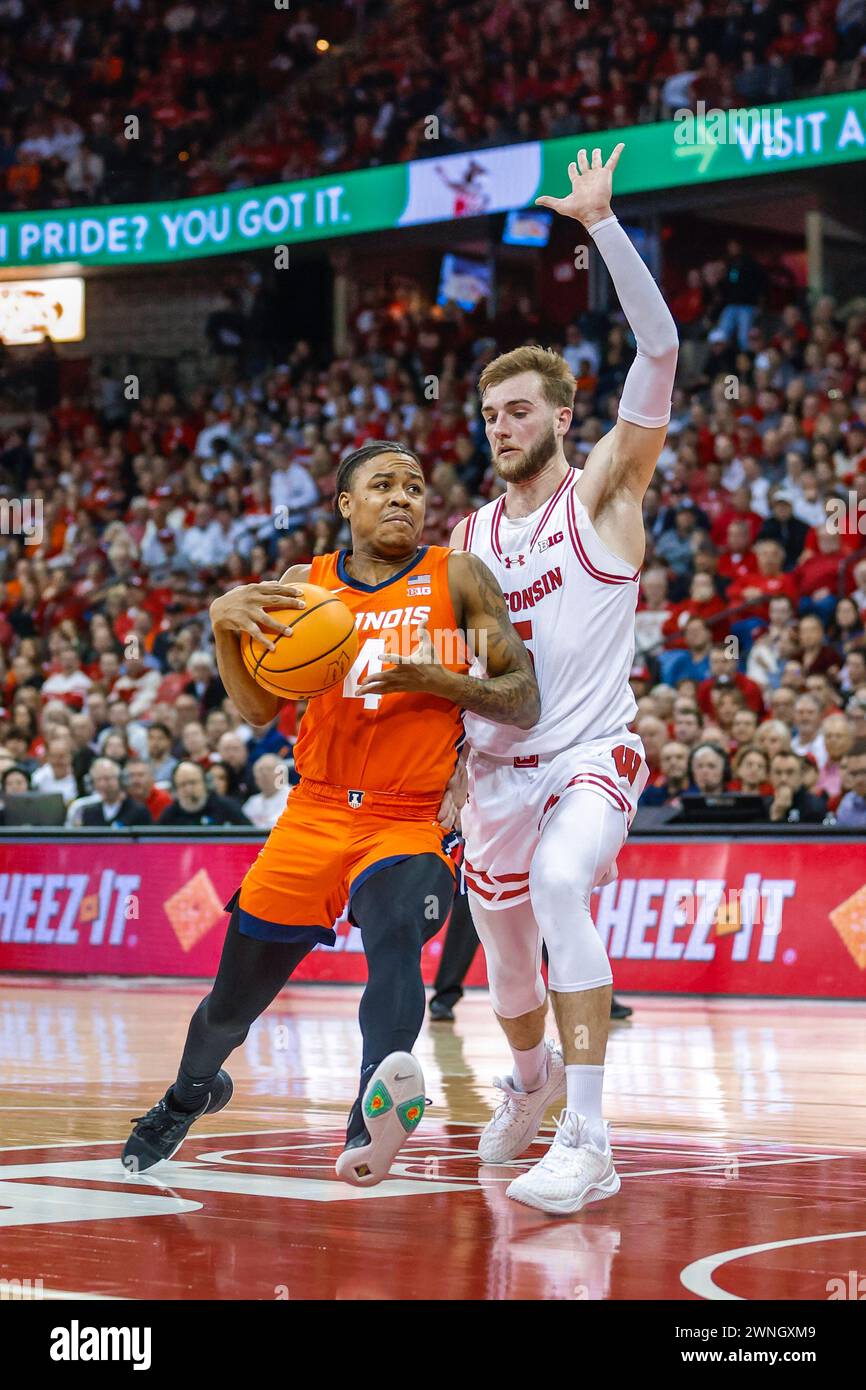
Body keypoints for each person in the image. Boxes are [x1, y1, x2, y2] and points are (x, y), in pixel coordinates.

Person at [123, 440, 539, 1187]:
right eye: (383, 485)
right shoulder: (302, 585)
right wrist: (223, 627)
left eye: (415, 486)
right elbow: (257, 709)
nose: (405, 497)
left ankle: (371, 1113)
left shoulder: (458, 577)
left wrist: (443, 678)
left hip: (407, 820)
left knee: (395, 937)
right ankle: (187, 1095)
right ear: (346, 504)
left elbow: (523, 695)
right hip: (312, 813)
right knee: (230, 1004)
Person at [445, 144, 678, 1215]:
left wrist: (600, 227)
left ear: (559, 417)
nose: (502, 426)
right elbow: (474, 666)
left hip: (589, 754)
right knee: (502, 971)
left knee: (558, 886)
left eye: (521, 411)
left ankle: (590, 1136)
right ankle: (533, 1092)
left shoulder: (601, 496)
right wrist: (449, 764)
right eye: (491, 415)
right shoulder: (470, 535)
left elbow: (661, 346)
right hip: (496, 767)